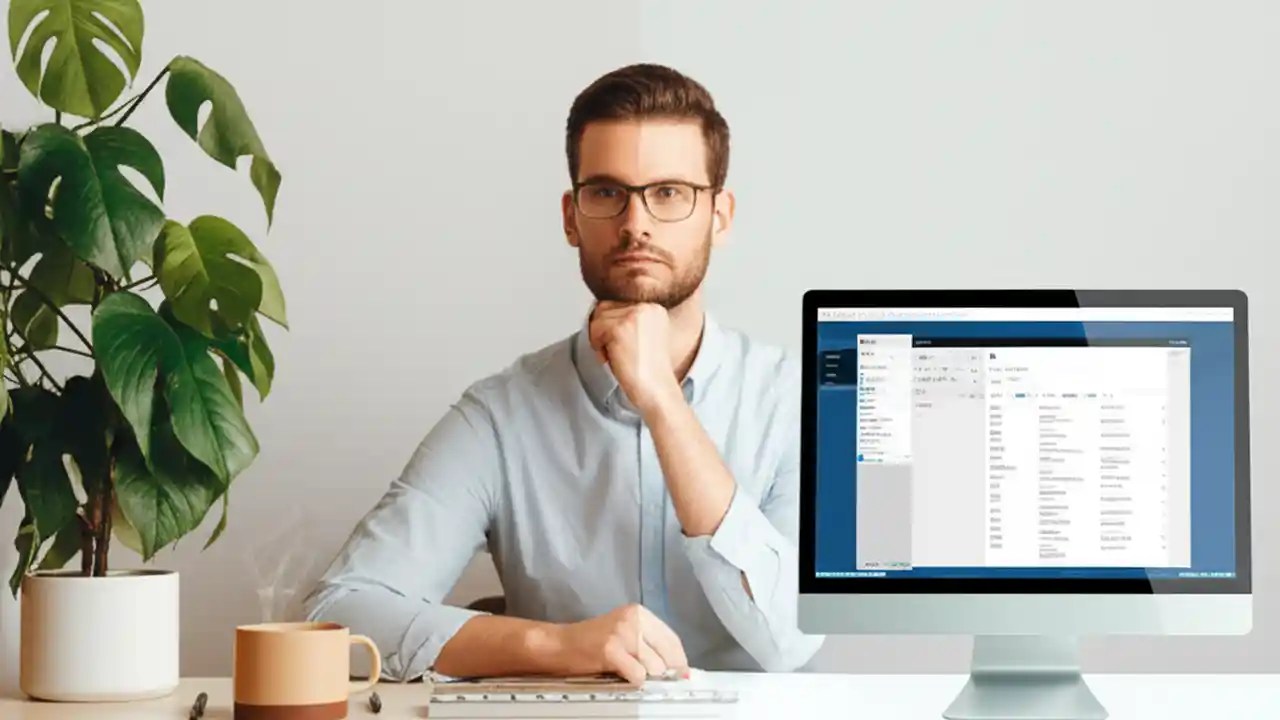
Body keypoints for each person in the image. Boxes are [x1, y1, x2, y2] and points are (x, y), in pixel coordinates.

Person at [303, 62, 824, 683]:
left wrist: (661, 400)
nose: (636, 223)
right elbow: (336, 618)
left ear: (720, 215)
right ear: (571, 217)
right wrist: (558, 647)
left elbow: (792, 639)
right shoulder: (500, 416)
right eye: (607, 192)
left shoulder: (796, 402)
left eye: (669, 193)